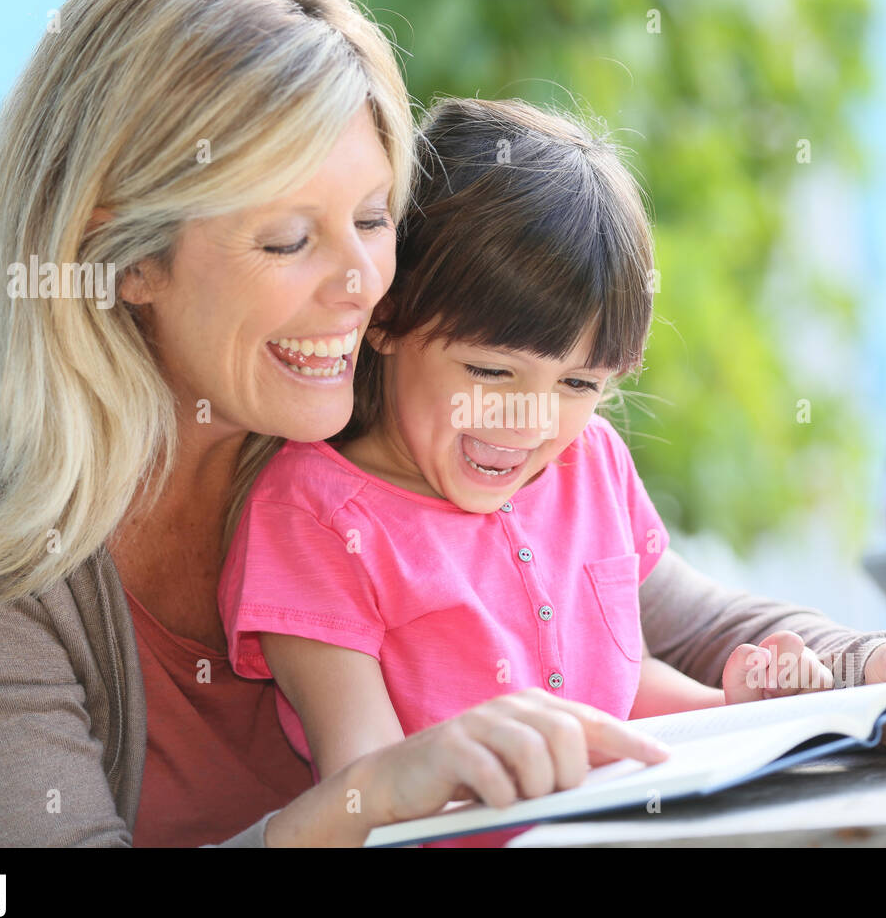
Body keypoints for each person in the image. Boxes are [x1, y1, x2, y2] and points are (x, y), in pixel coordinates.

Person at [0, 0, 886, 849]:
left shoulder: (346, 407)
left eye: (369, 216)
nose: (363, 285)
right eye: (287, 239)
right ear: (121, 255)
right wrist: (371, 797)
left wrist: (883, 675)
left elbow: (667, 612)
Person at [217, 98, 839, 846]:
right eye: (491, 370)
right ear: (383, 317)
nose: (531, 423)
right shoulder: (312, 514)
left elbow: (615, 690)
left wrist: (733, 701)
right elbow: (366, 784)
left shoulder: (591, 463)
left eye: (579, 384)